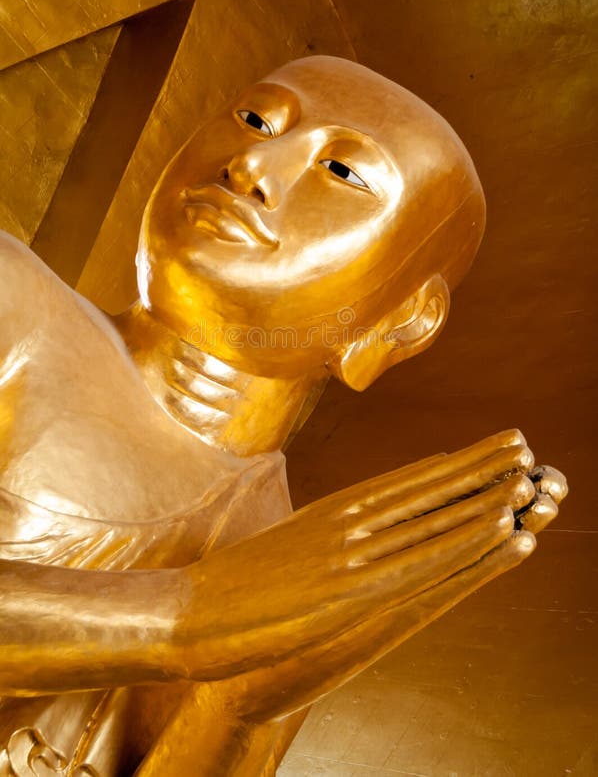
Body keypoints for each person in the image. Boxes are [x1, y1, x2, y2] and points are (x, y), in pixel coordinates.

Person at [0, 56, 566, 776]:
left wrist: (236, 705)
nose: (252, 165)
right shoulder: (12, 300)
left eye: (341, 173)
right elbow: (192, 621)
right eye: (255, 120)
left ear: (403, 320)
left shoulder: (291, 559)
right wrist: (177, 620)